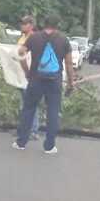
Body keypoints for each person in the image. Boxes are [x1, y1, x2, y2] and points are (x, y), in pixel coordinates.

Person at [13, 16, 76, 155]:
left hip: (36, 79)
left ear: (43, 24)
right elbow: (69, 64)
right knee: (53, 112)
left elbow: (20, 53)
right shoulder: (63, 40)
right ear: (57, 25)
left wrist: (27, 72)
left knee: (28, 109)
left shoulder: (34, 38)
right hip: (55, 82)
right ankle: (49, 146)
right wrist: (71, 82)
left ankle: (21, 142)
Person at [16, 15, 40, 140]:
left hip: (30, 75)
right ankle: (23, 128)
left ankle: (33, 130)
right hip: (21, 76)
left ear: (31, 25)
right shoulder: (22, 37)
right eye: (21, 23)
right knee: (24, 103)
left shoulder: (34, 37)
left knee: (31, 103)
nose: (21, 25)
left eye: (24, 23)